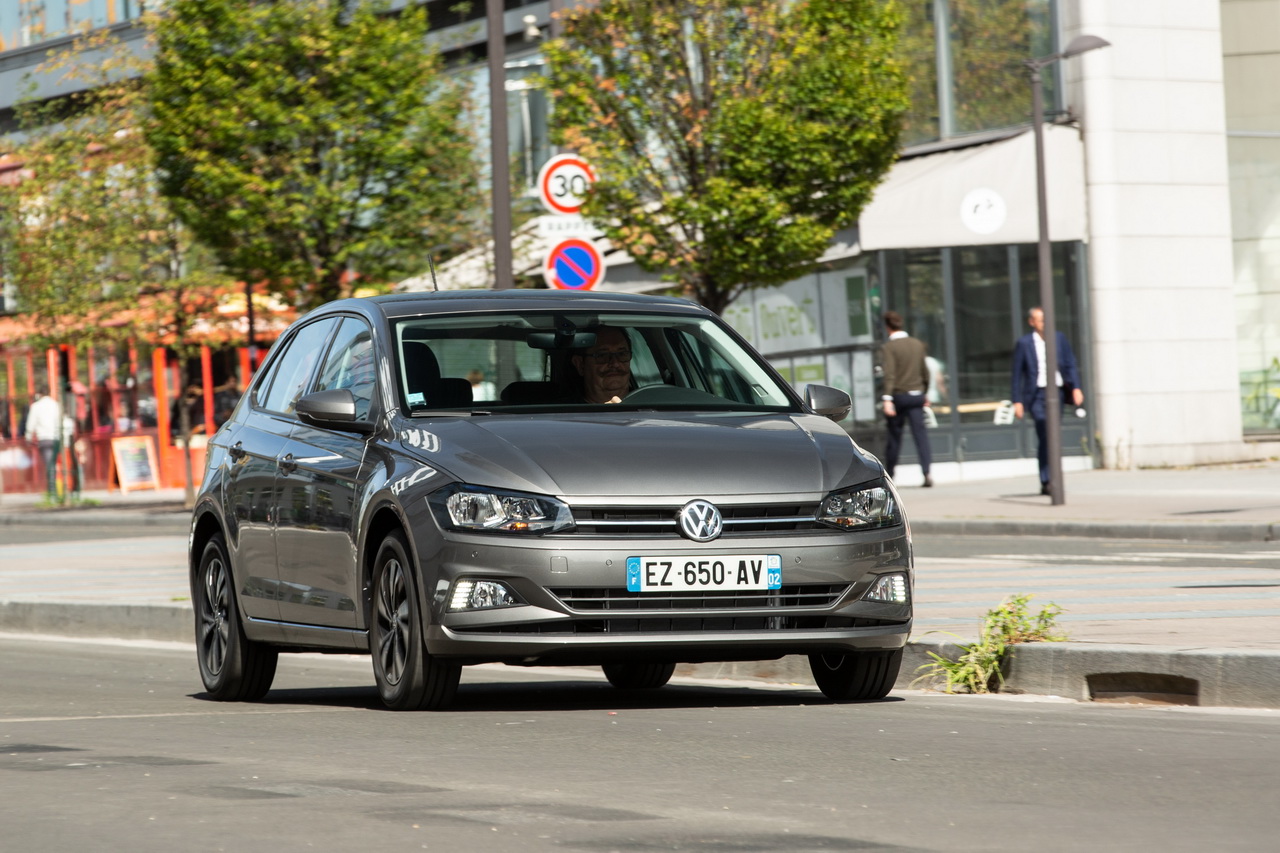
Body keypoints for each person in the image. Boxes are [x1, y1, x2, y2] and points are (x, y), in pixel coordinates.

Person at [1011, 306, 1084, 496]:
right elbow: (1017, 374)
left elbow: (1070, 364)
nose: (1045, 323)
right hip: (1036, 395)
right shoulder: (1024, 343)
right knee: (1045, 431)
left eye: (1046, 319)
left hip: (1057, 392)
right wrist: (1017, 401)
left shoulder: (1059, 338)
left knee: (1053, 435)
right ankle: (1047, 479)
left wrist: (1076, 387)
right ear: (1032, 322)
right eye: (1041, 319)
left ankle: (1051, 480)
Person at [880, 311, 933, 487]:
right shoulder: (917, 344)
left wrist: (887, 399)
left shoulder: (890, 347)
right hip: (917, 396)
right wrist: (925, 393)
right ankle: (927, 472)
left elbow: (890, 374)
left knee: (894, 437)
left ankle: (889, 476)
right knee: (921, 436)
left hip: (899, 397)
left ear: (887, 327)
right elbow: (925, 372)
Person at [572, 326, 633, 404]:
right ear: (580, 364)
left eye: (621, 354)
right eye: (603, 355)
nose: (615, 364)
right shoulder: (565, 410)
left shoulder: (647, 402)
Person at [24, 391, 61, 498]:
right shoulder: (55, 405)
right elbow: (59, 421)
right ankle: (53, 489)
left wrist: (28, 437)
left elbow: (31, 423)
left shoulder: (36, 406)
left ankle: (52, 491)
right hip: (55, 438)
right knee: (53, 463)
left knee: (49, 464)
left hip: (44, 438)